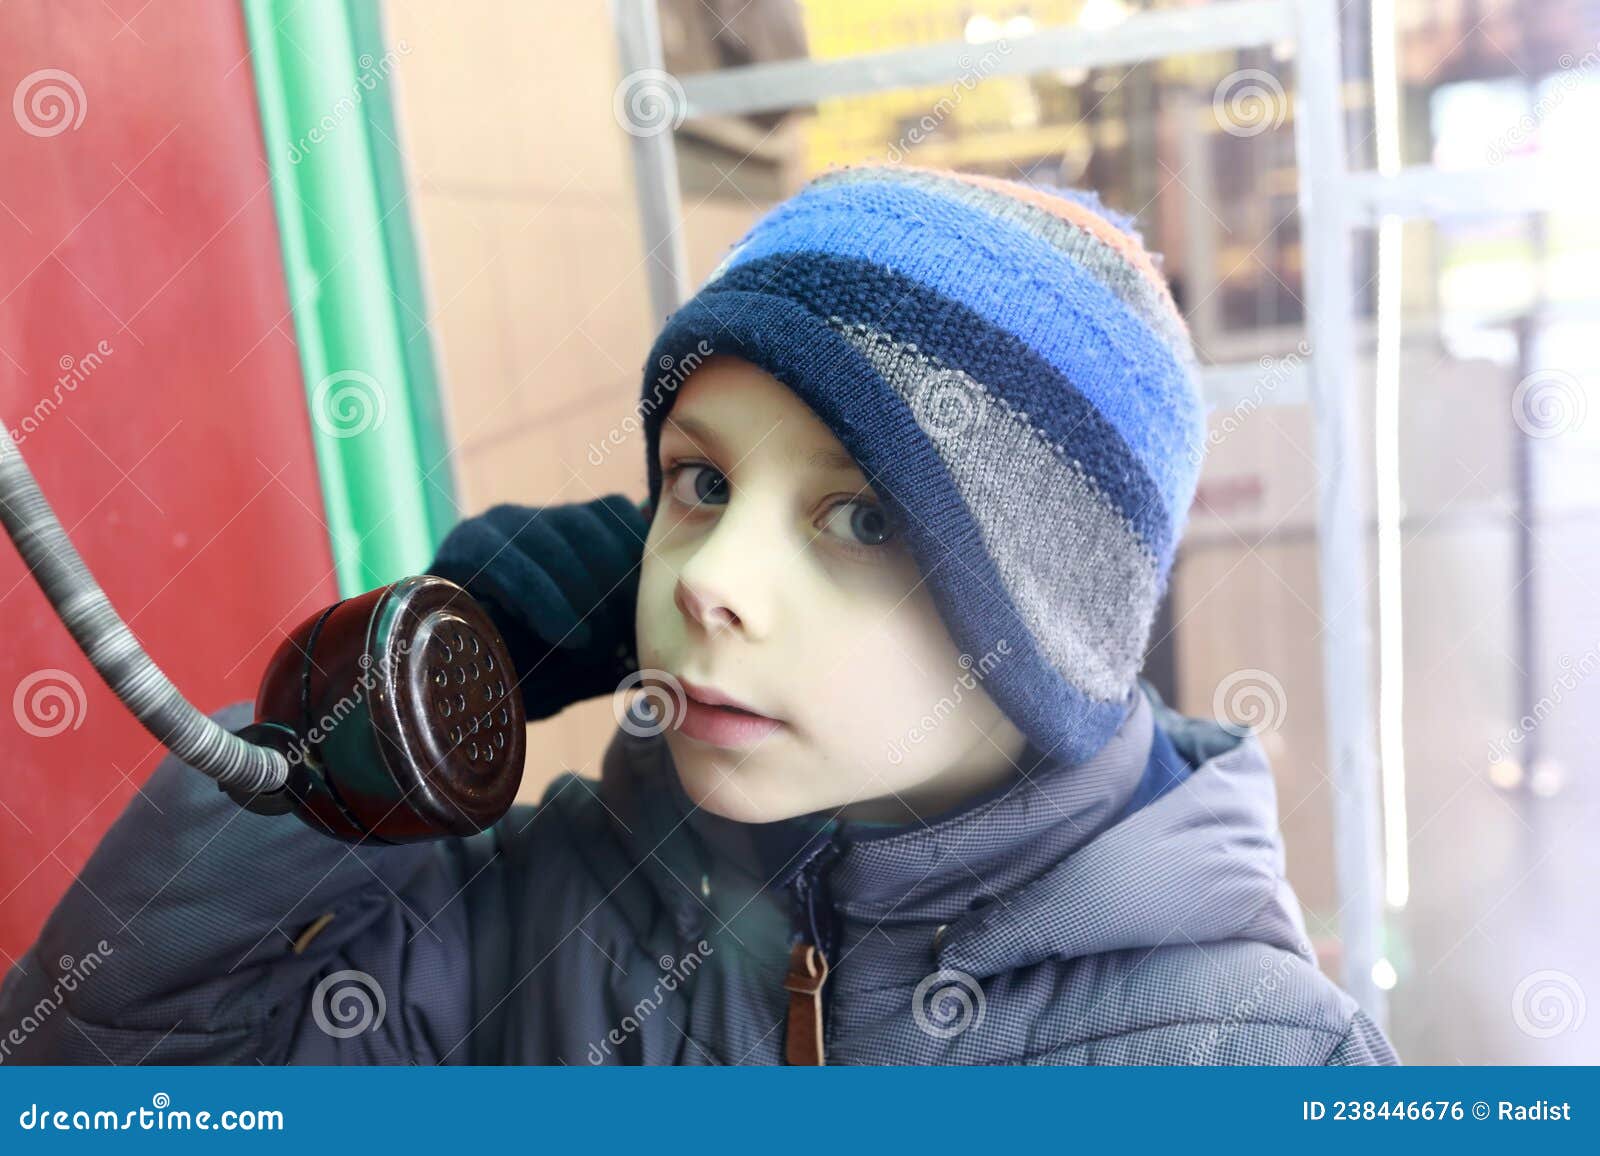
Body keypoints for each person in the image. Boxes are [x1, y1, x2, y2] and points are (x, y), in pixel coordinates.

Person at [0, 165, 1397, 1065]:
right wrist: (353, 750)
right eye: (702, 484)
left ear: (1051, 621)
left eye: (863, 516)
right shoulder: (545, 912)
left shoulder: (1259, 1059)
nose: (706, 577)